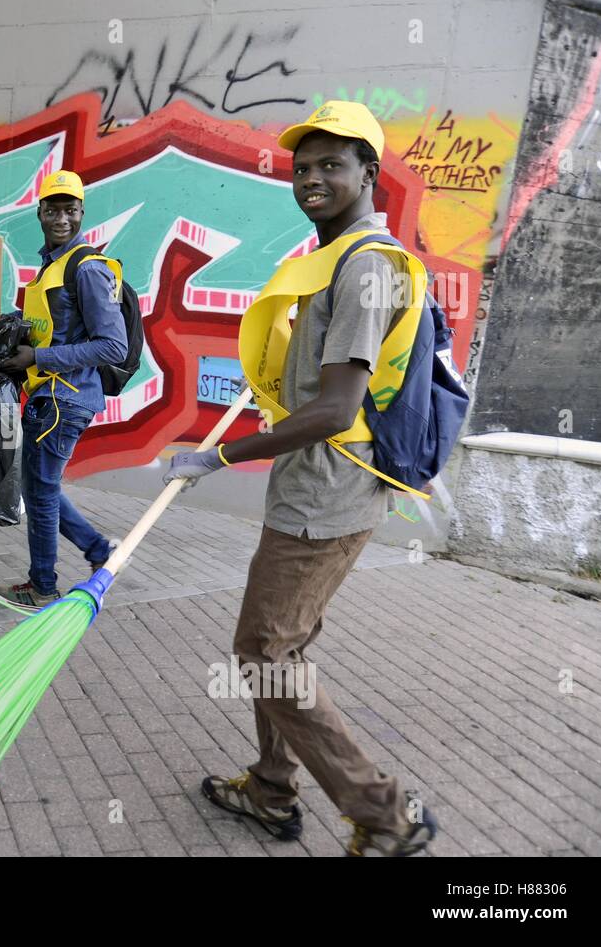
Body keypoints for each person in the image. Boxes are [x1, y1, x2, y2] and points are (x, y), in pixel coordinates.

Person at [164, 102, 439, 856]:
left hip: (327, 497)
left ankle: (382, 815)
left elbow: (337, 407)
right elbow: (318, 380)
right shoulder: (336, 260)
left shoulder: (368, 269)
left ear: (368, 175)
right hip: (317, 492)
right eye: (304, 166)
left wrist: (220, 456)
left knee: (263, 652)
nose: (312, 178)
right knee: (281, 646)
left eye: (332, 165)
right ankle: (272, 789)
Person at [0, 170, 128, 611]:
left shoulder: (86, 267)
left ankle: (42, 585)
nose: (61, 218)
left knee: (42, 492)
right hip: (51, 397)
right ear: (40, 213)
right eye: (53, 209)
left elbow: (113, 344)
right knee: (39, 489)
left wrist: (37, 360)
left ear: (81, 213)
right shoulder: (54, 265)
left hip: (64, 399)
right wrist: (13, 326)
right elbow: (57, 328)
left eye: (70, 210)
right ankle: (99, 551)